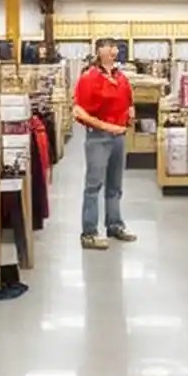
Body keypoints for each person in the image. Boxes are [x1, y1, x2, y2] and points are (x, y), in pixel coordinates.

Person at [73, 37, 137, 250]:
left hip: (119, 137)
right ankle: (89, 232)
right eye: (110, 47)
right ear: (100, 51)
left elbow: (129, 101)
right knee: (94, 185)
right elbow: (79, 111)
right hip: (99, 137)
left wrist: (130, 116)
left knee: (115, 186)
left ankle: (115, 224)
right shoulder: (88, 78)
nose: (115, 51)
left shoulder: (121, 77)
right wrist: (106, 126)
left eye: (116, 48)